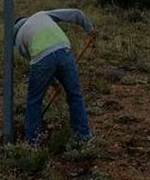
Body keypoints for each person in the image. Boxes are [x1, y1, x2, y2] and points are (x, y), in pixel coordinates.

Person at [13, 8, 98, 145]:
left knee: (34, 101)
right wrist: (90, 28)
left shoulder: (17, 40)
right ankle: (83, 134)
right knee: (74, 94)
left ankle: (32, 141)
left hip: (41, 58)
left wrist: (54, 83)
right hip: (64, 50)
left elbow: (37, 64)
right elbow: (75, 13)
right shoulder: (41, 14)